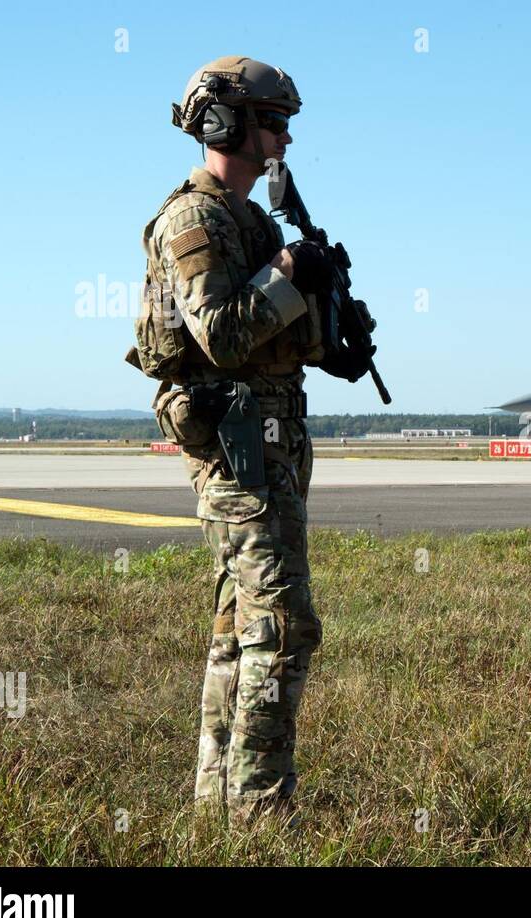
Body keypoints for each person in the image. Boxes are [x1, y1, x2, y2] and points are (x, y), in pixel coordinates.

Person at [129, 55, 328, 826]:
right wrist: (285, 275)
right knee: (282, 628)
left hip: (270, 449)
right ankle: (258, 810)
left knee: (237, 631)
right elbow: (218, 333)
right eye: (273, 119)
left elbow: (273, 341)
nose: (283, 136)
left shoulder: (251, 220)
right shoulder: (195, 219)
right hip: (236, 451)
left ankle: (218, 801)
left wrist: (329, 325)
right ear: (226, 121)